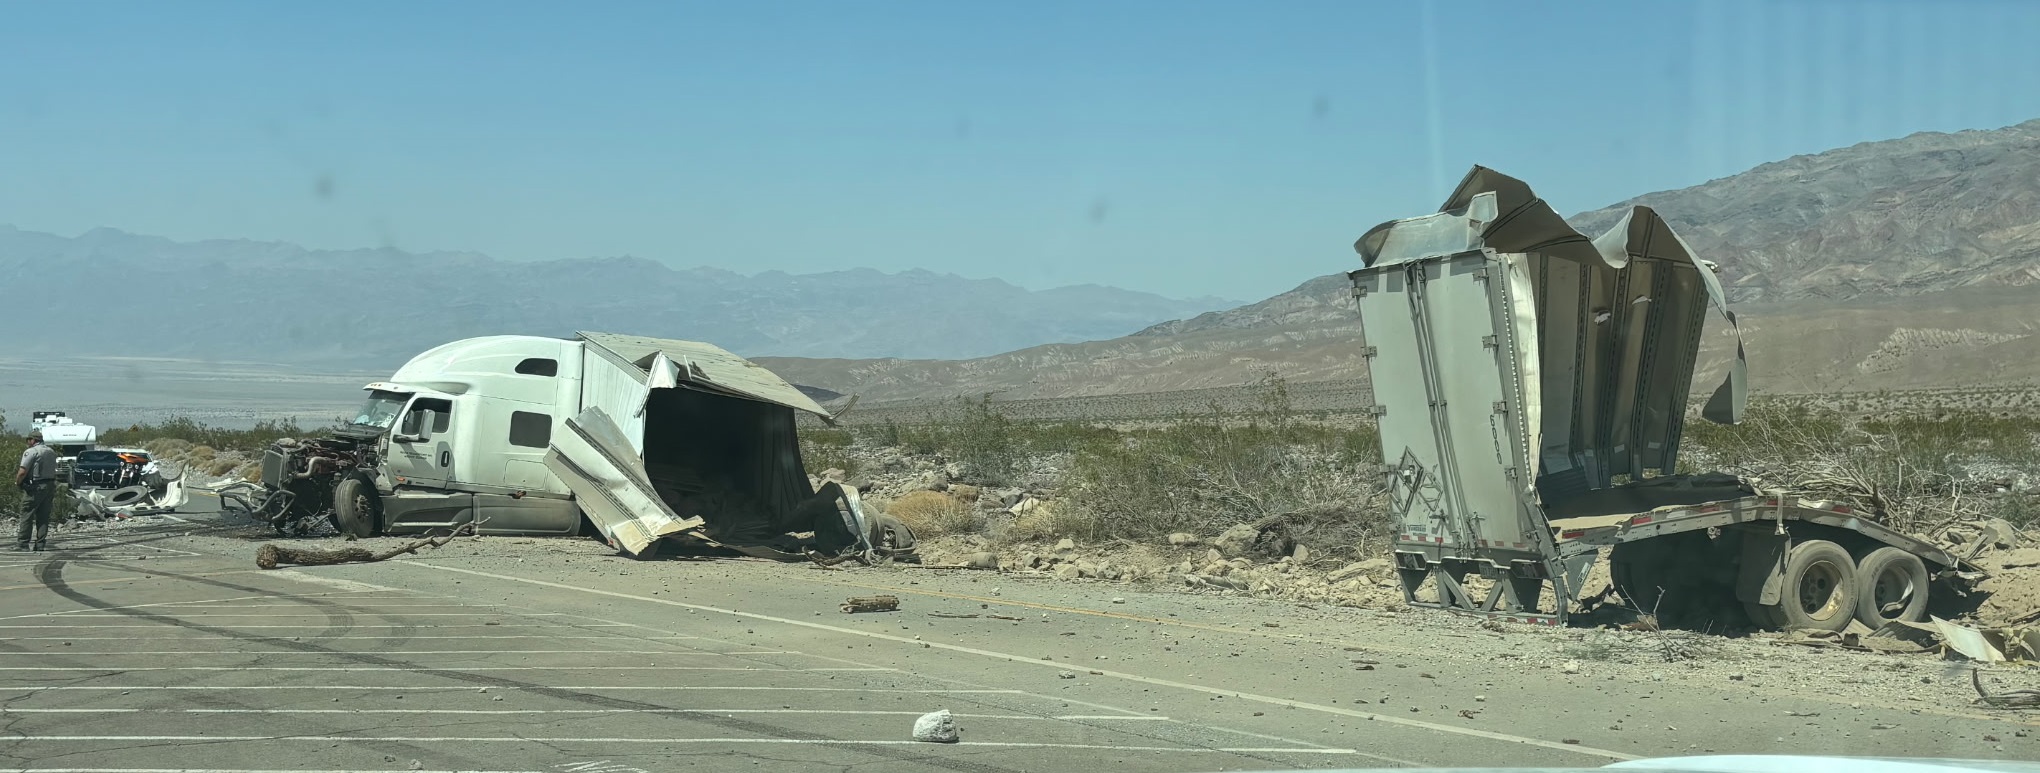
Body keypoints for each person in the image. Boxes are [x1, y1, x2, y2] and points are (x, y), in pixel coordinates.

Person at [15, 430, 58, 551]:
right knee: (43, 516)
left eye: (28, 440)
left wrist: (18, 482)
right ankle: (40, 544)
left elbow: (23, 471)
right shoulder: (51, 451)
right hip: (49, 485)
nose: (28, 442)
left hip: (36, 486)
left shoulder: (31, 452)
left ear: (33, 440)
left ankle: (23, 543)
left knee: (27, 514)